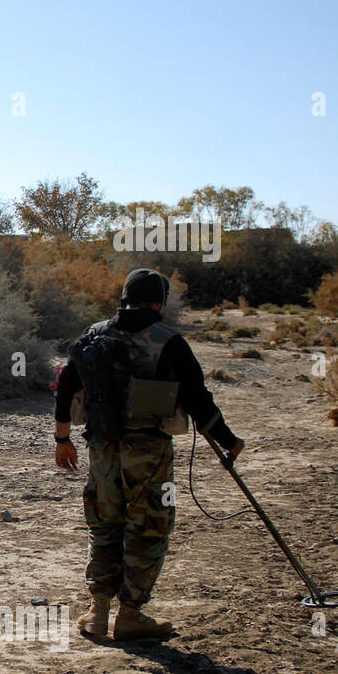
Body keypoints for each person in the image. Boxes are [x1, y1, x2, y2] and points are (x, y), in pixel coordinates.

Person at [54, 268, 245, 640]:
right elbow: (197, 400)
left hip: (101, 450)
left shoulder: (94, 334)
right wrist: (229, 441)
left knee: (104, 525)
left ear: (124, 297)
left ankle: (97, 611)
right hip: (149, 452)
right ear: (158, 301)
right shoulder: (168, 340)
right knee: (148, 528)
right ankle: (130, 614)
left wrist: (63, 439)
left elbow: (64, 386)